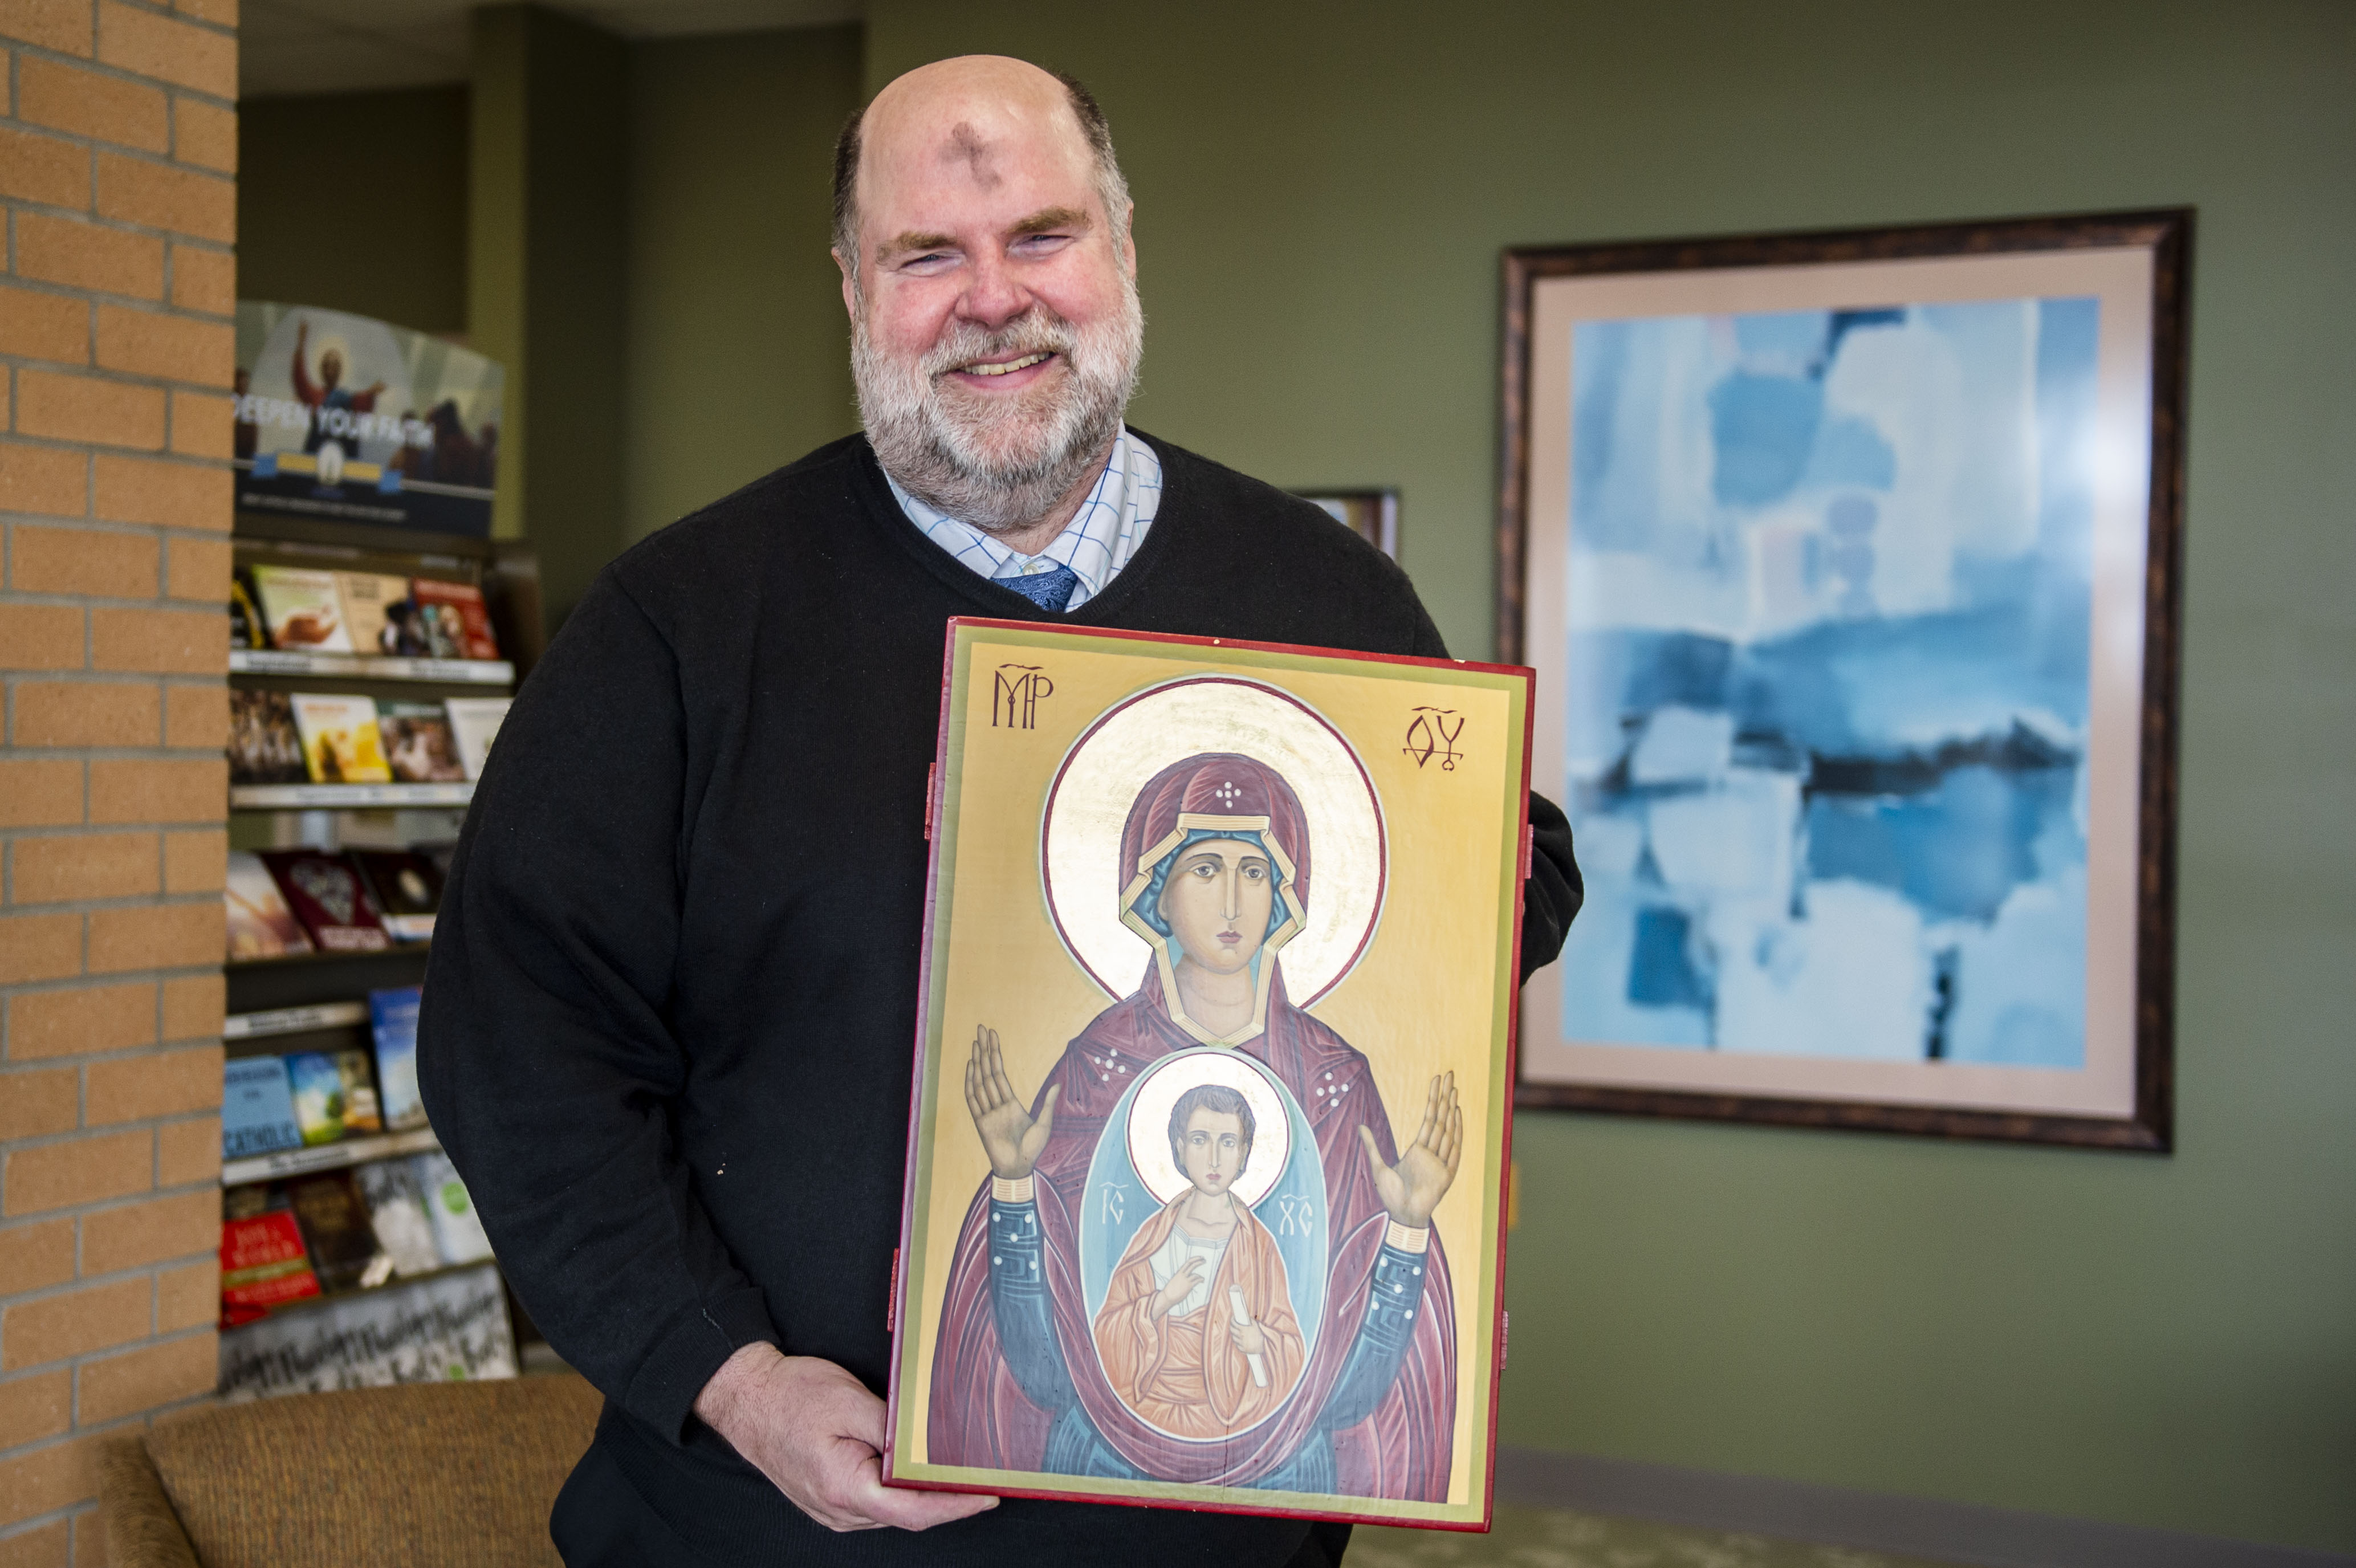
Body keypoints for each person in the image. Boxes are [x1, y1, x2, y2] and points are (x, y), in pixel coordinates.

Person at [418, 53, 1581, 1568]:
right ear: (850, 284)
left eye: (1040, 236)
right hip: (765, 1526)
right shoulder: (677, 627)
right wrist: (731, 1377)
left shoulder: (1325, 597)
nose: (992, 298)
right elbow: (521, 1049)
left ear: (1121, 252)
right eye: (926, 255)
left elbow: (1504, 876)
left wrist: (1462, 868)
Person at [940, 754, 1460, 1499]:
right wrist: (1016, 1185)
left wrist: (1407, 1229)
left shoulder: (1331, 1076)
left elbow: (1349, 1392)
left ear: (1285, 891)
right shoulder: (1102, 1063)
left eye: (1255, 870)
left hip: (1285, 1464)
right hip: (1097, 1455)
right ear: (1156, 889)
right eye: (1205, 867)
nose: (1232, 900)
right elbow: (1040, 1367)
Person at [1092, 1085, 1309, 1437]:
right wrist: (1163, 1301)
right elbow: (1107, 1332)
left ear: (1244, 1153)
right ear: (1179, 1148)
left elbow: (1291, 1346)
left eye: (1227, 1142)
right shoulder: (1153, 1238)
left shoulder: (1257, 1247)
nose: (1213, 1159)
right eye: (1198, 1140)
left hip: (1225, 1416)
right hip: (1146, 1408)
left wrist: (1262, 1343)